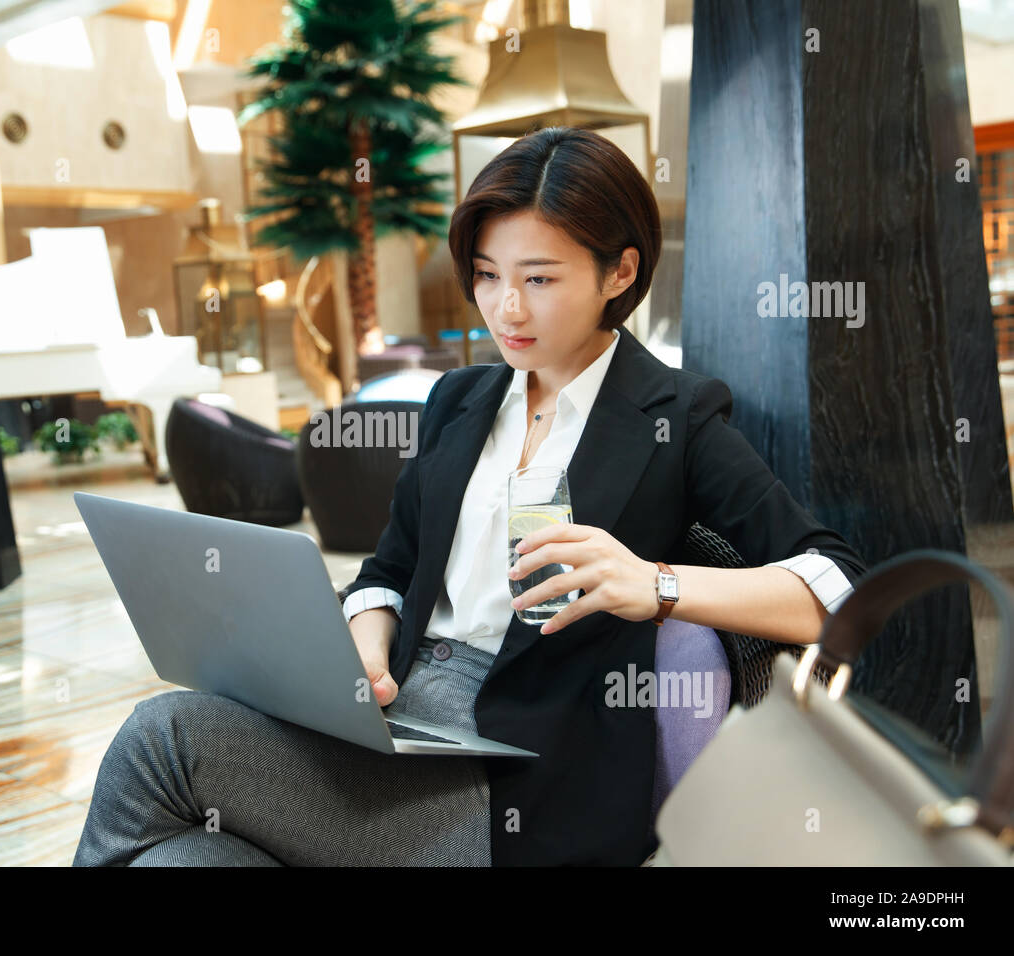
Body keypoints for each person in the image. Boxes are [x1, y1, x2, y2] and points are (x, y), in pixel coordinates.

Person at [72, 127, 867, 867]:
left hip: (524, 784)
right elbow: (389, 568)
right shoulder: (460, 400)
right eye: (488, 276)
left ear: (619, 271)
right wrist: (367, 643)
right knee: (191, 859)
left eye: (539, 279)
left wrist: (654, 585)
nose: (505, 308)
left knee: (164, 735)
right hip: (400, 728)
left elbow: (837, 588)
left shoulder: (676, 417)